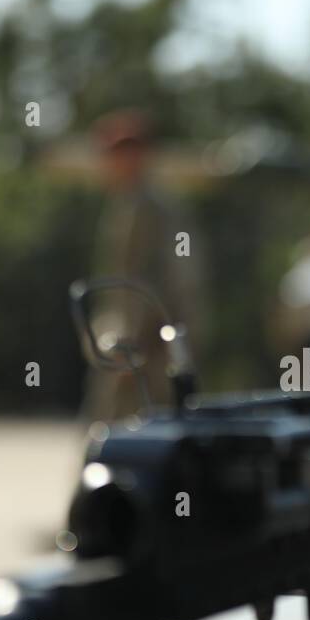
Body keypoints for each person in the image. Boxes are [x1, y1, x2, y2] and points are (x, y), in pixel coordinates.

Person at [82, 110, 205, 422]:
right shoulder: (130, 201)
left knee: (133, 425)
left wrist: (129, 342)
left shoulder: (149, 206)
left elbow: (151, 279)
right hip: (142, 336)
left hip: (147, 340)